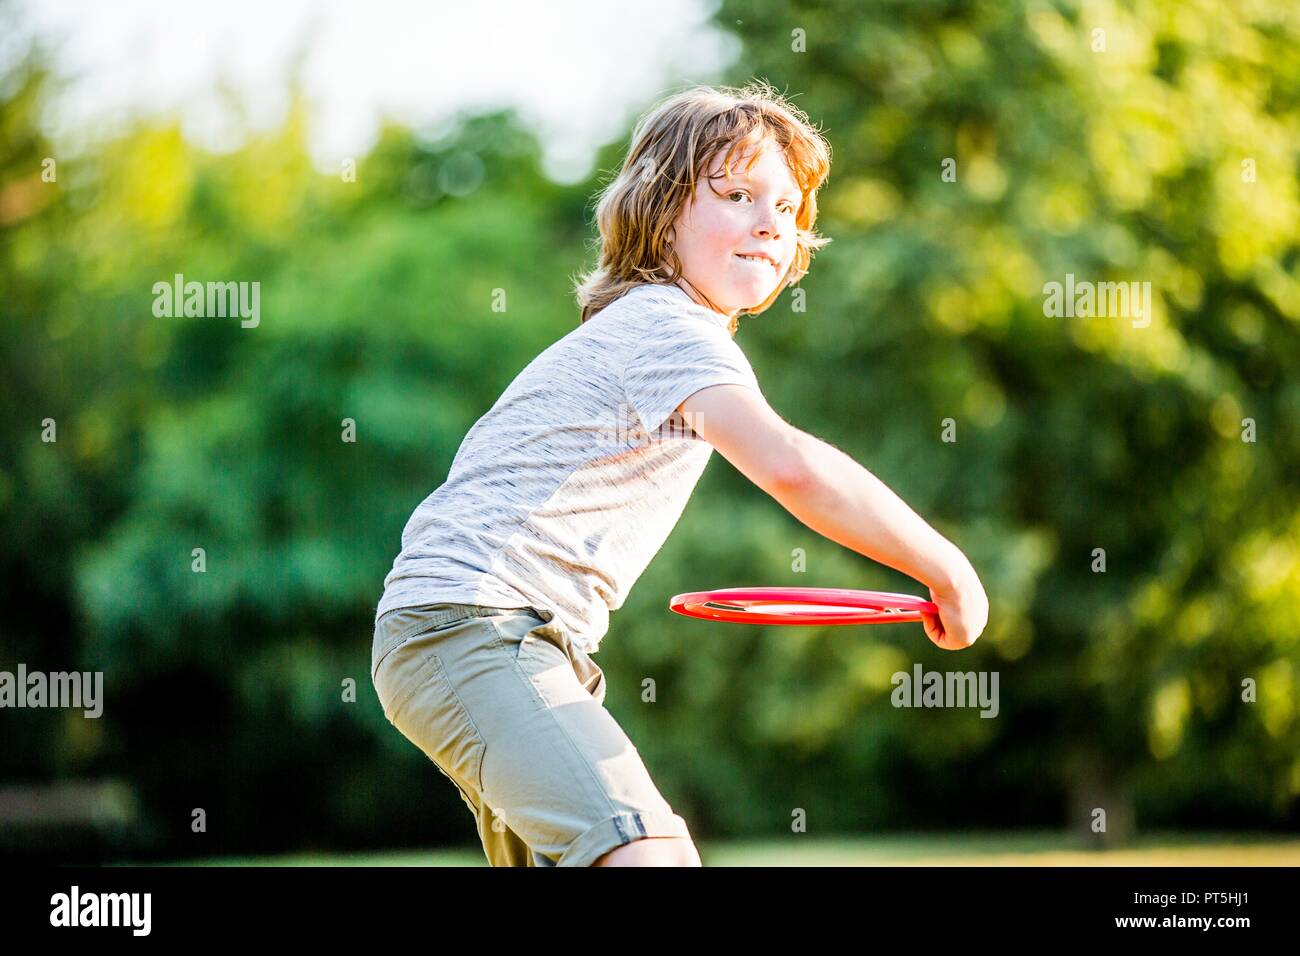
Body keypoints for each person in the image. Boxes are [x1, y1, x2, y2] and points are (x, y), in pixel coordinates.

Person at [371, 80, 989, 867]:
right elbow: (791, 467)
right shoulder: (668, 326)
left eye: (789, 209)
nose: (771, 223)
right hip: (472, 626)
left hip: (493, 636)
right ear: (660, 214)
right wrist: (947, 567)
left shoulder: (655, 330)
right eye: (737, 195)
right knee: (650, 856)